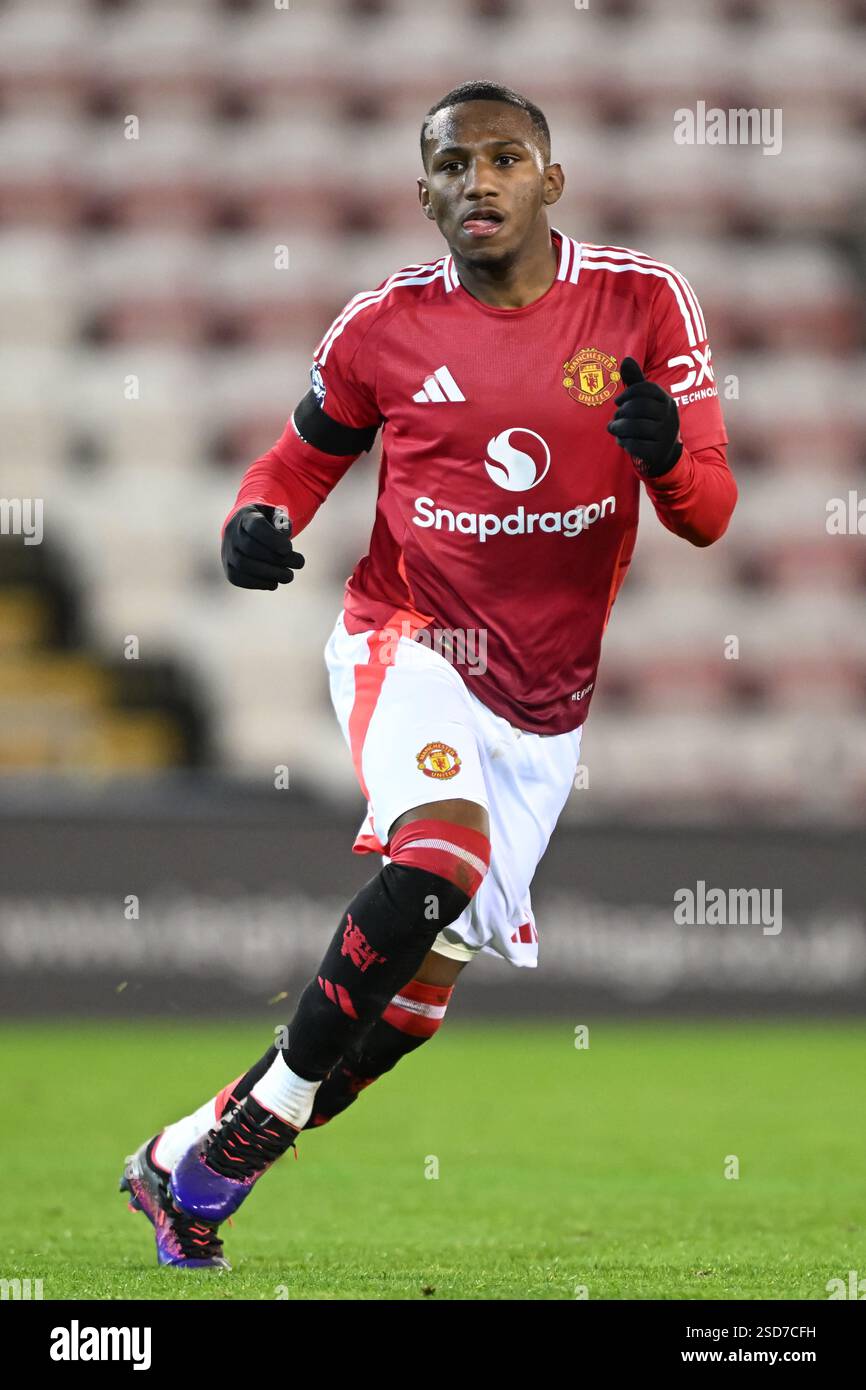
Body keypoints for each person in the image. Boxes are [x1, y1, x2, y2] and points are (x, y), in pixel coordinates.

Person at [120, 80, 736, 1268]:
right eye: (453, 167)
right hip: (408, 636)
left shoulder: (642, 303)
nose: (479, 182)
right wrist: (251, 522)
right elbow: (292, 467)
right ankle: (262, 1125)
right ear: (424, 195)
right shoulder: (379, 331)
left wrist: (665, 465)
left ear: (549, 181)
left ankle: (188, 1157)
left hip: (544, 709)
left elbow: (707, 514)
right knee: (438, 853)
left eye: (505, 160)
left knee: (405, 1016)